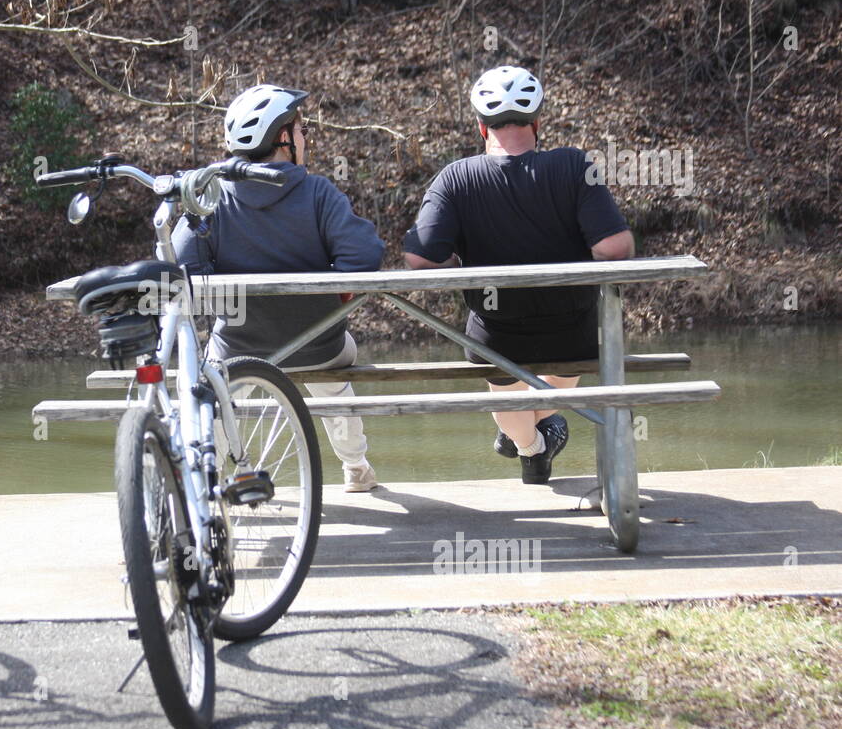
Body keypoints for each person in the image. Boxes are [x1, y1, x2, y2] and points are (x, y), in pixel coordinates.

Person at [401, 65, 634, 484]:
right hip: (573, 329)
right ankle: (534, 444)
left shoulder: (456, 178)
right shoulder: (575, 164)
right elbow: (614, 249)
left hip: (495, 337)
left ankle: (529, 446)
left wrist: (459, 261)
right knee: (565, 355)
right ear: (538, 122)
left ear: (480, 127)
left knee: (504, 382)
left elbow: (419, 259)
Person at [172, 84, 385, 492]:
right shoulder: (319, 193)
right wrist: (331, 302)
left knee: (218, 384)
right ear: (284, 139)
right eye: (302, 130)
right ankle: (356, 467)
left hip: (238, 348)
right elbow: (364, 258)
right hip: (319, 346)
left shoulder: (211, 198)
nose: (306, 139)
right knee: (336, 371)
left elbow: (184, 269)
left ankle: (206, 477)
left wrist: (232, 304)